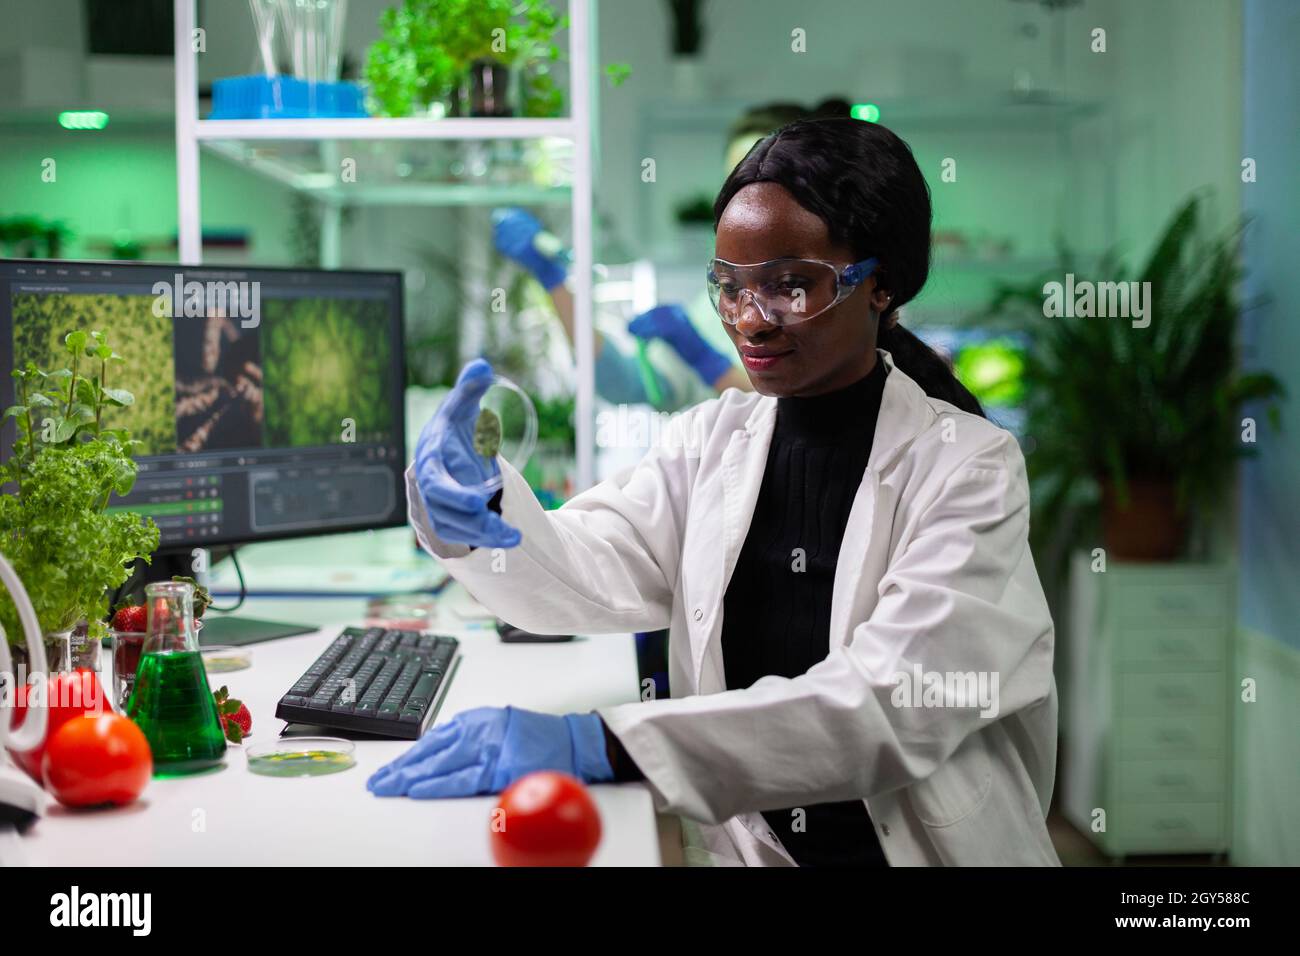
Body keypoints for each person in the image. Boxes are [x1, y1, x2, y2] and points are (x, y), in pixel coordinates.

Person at [373, 117, 1060, 867]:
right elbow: (591, 569)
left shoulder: (969, 467)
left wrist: (599, 743)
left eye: (789, 287)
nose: (749, 321)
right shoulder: (711, 441)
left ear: (881, 283)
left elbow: (890, 707)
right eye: (729, 289)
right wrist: (483, 511)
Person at [492, 100, 853, 412]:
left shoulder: (833, 295)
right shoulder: (719, 303)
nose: (743, 199)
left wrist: (708, 363)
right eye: (736, 181)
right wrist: (553, 280)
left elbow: (808, 419)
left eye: (765, 180)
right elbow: (624, 385)